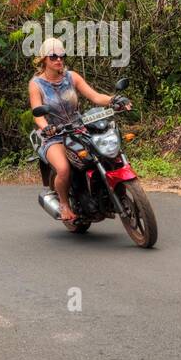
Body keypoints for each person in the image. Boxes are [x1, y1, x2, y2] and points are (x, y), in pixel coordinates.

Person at [28, 37, 128, 223]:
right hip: (54, 134)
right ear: (44, 60)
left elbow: (96, 97)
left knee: (105, 153)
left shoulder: (71, 77)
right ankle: (65, 204)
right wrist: (46, 127)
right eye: (53, 56)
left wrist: (115, 100)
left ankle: (103, 194)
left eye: (62, 56)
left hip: (78, 128)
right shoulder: (36, 84)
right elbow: (37, 114)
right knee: (64, 169)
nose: (59, 59)